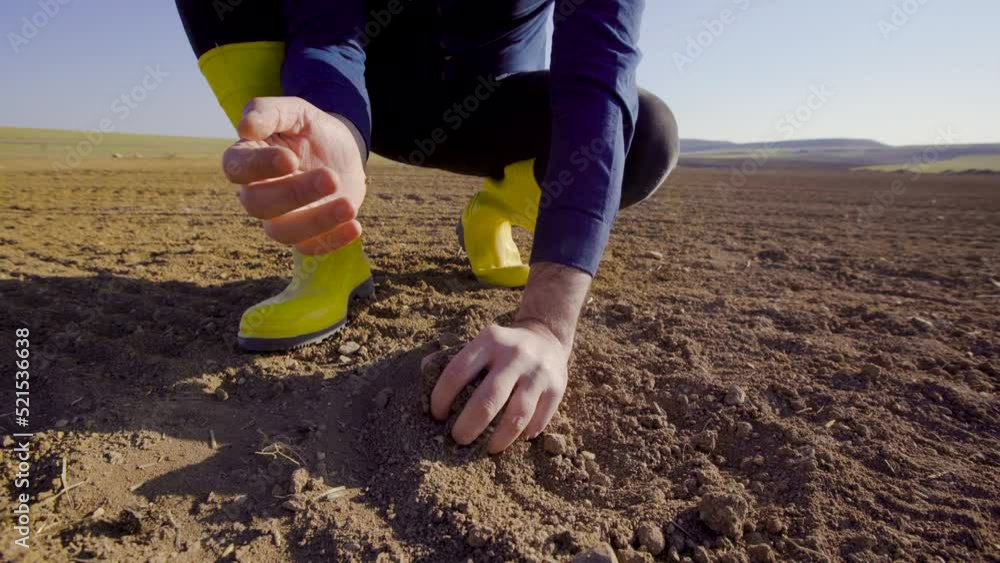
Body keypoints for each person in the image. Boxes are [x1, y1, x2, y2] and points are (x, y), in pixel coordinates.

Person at [175, 0, 678, 453]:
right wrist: (336, 121)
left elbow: (598, 68)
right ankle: (328, 247)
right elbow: (325, 24)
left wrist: (547, 323)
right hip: (373, 90)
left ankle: (494, 208)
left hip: (490, 108)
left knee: (645, 136)